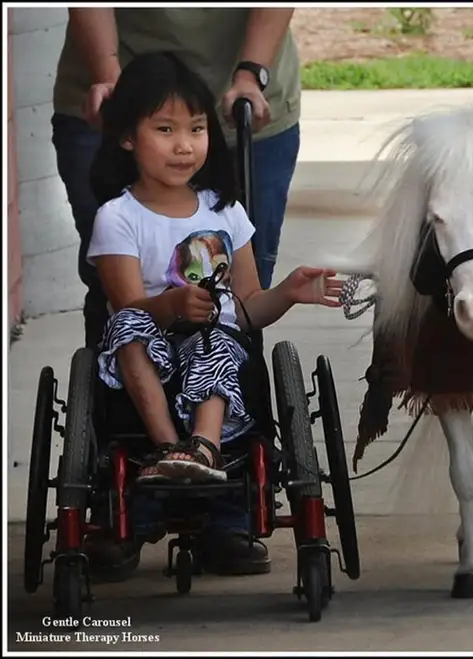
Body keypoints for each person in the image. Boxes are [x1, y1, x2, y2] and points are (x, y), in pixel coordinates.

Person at [52, 7, 301, 580]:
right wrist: (168, 307)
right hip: (150, 342)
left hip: (206, 345)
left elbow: (248, 306)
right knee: (124, 328)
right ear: (127, 138)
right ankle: (168, 454)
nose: (185, 146)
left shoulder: (225, 213)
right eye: (165, 131)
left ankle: (206, 455)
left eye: (196, 130)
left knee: (223, 333)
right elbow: (126, 307)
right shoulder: (118, 218)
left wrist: (288, 291)